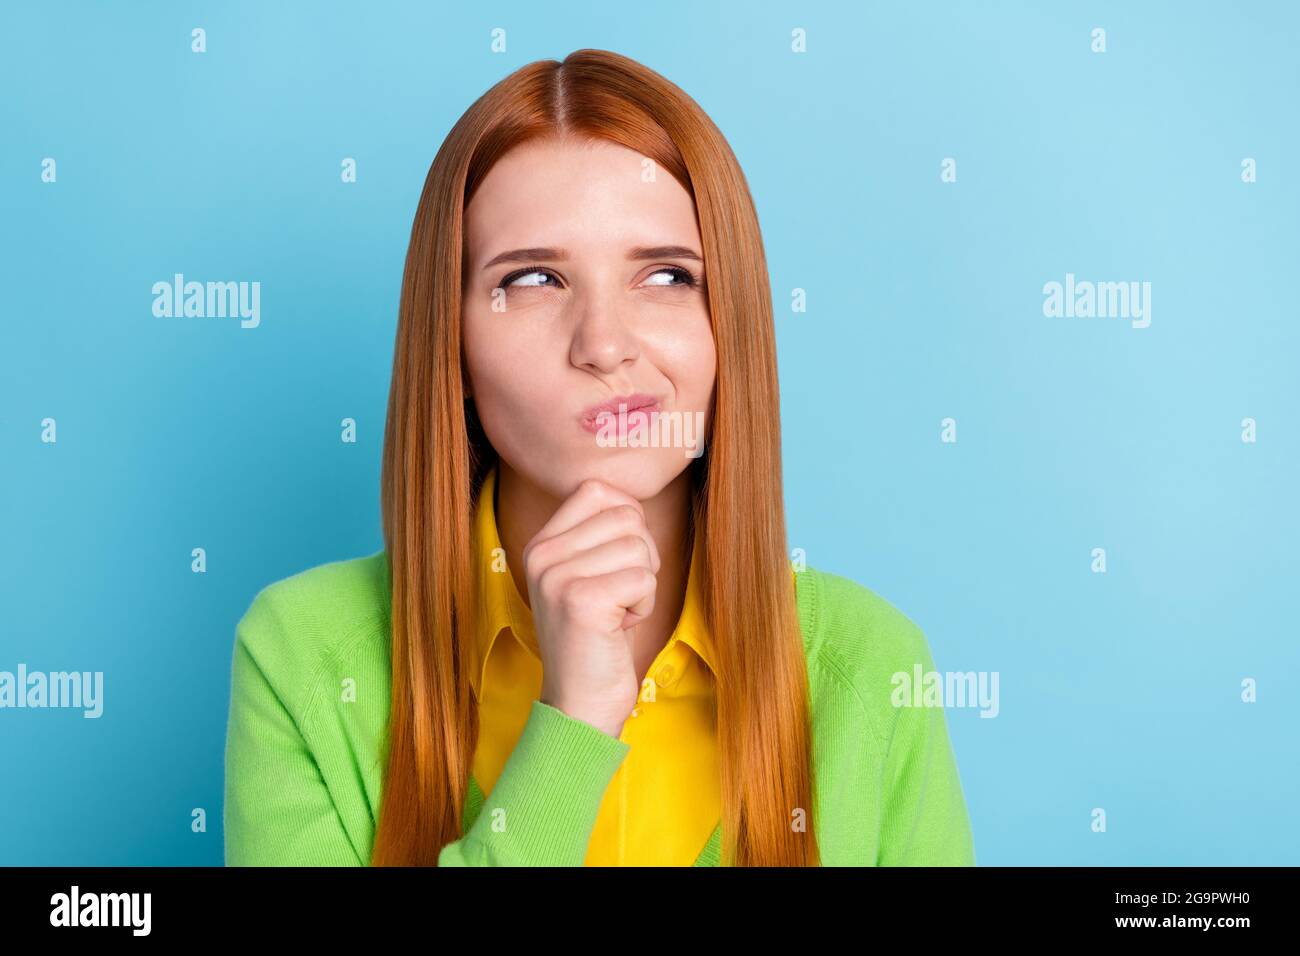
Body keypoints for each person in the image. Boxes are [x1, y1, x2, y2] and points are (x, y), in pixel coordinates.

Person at [223, 48, 976, 867]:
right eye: (537, 278)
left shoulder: (872, 665)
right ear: (455, 348)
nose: (605, 346)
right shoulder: (303, 655)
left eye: (666, 277)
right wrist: (573, 727)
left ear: (730, 330)